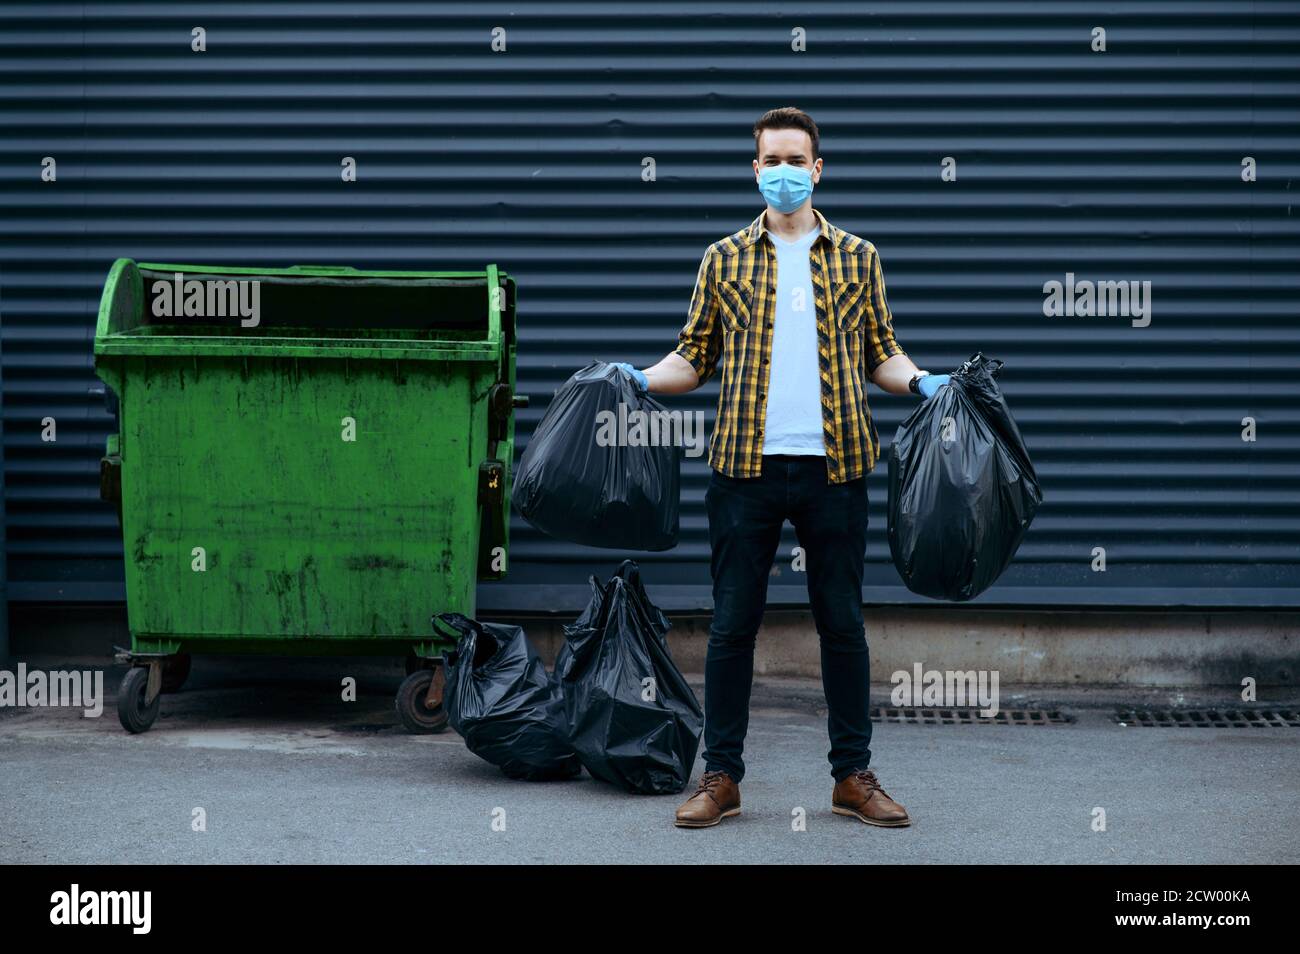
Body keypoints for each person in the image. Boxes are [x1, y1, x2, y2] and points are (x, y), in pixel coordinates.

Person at [613, 107, 948, 830]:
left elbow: (882, 352)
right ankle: (722, 777)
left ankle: (852, 778)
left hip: (837, 468)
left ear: (818, 169)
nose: (787, 171)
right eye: (774, 160)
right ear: (756, 168)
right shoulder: (723, 258)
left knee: (843, 626)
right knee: (733, 626)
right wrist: (638, 377)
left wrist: (921, 381)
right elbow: (692, 358)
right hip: (743, 470)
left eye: (800, 159)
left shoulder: (859, 256)